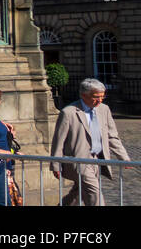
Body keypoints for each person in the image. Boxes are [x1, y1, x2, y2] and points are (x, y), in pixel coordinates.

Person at [49, 78, 130, 206]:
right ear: (83, 95)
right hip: (79, 161)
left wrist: (123, 157)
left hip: (98, 159)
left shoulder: (104, 109)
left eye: (102, 97)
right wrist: (55, 165)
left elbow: (112, 136)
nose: (100, 100)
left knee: (78, 193)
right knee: (94, 194)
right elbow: (58, 141)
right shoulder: (68, 112)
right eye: (96, 97)